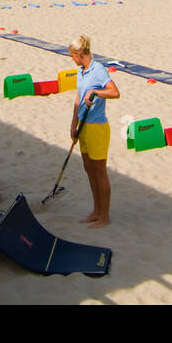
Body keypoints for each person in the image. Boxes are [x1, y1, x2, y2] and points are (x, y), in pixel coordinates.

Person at [68, 34, 120, 228]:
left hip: (97, 127)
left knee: (99, 171)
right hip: (83, 125)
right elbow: (78, 97)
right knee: (88, 169)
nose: (72, 59)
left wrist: (96, 92)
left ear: (80, 53)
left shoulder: (98, 70)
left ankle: (104, 216)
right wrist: (73, 123)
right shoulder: (81, 71)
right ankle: (96, 211)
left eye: (73, 55)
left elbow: (115, 92)